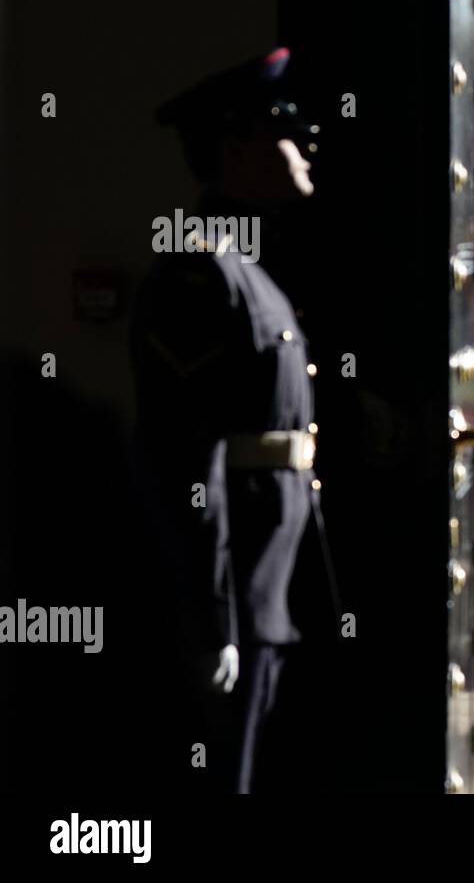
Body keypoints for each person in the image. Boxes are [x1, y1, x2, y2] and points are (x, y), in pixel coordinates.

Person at [132, 47, 340, 793]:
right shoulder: (199, 274)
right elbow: (188, 455)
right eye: (283, 127)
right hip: (242, 584)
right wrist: (214, 614)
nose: (305, 142)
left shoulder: (250, 269)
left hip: (275, 581)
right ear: (237, 149)